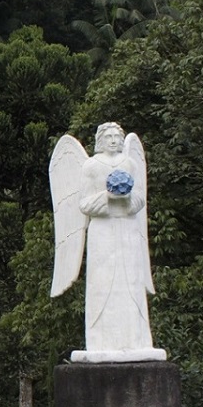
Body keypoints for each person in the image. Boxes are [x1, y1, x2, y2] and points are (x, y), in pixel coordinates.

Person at [49, 122, 163, 360]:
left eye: (116, 136)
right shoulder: (91, 166)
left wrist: (128, 197)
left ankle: (135, 341)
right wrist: (108, 196)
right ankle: (100, 342)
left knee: (130, 283)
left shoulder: (130, 163)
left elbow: (140, 200)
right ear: (101, 140)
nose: (113, 140)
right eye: (108, 136)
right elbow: (84, 204)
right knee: (103, 285)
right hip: (103, 232)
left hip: (128, 230)